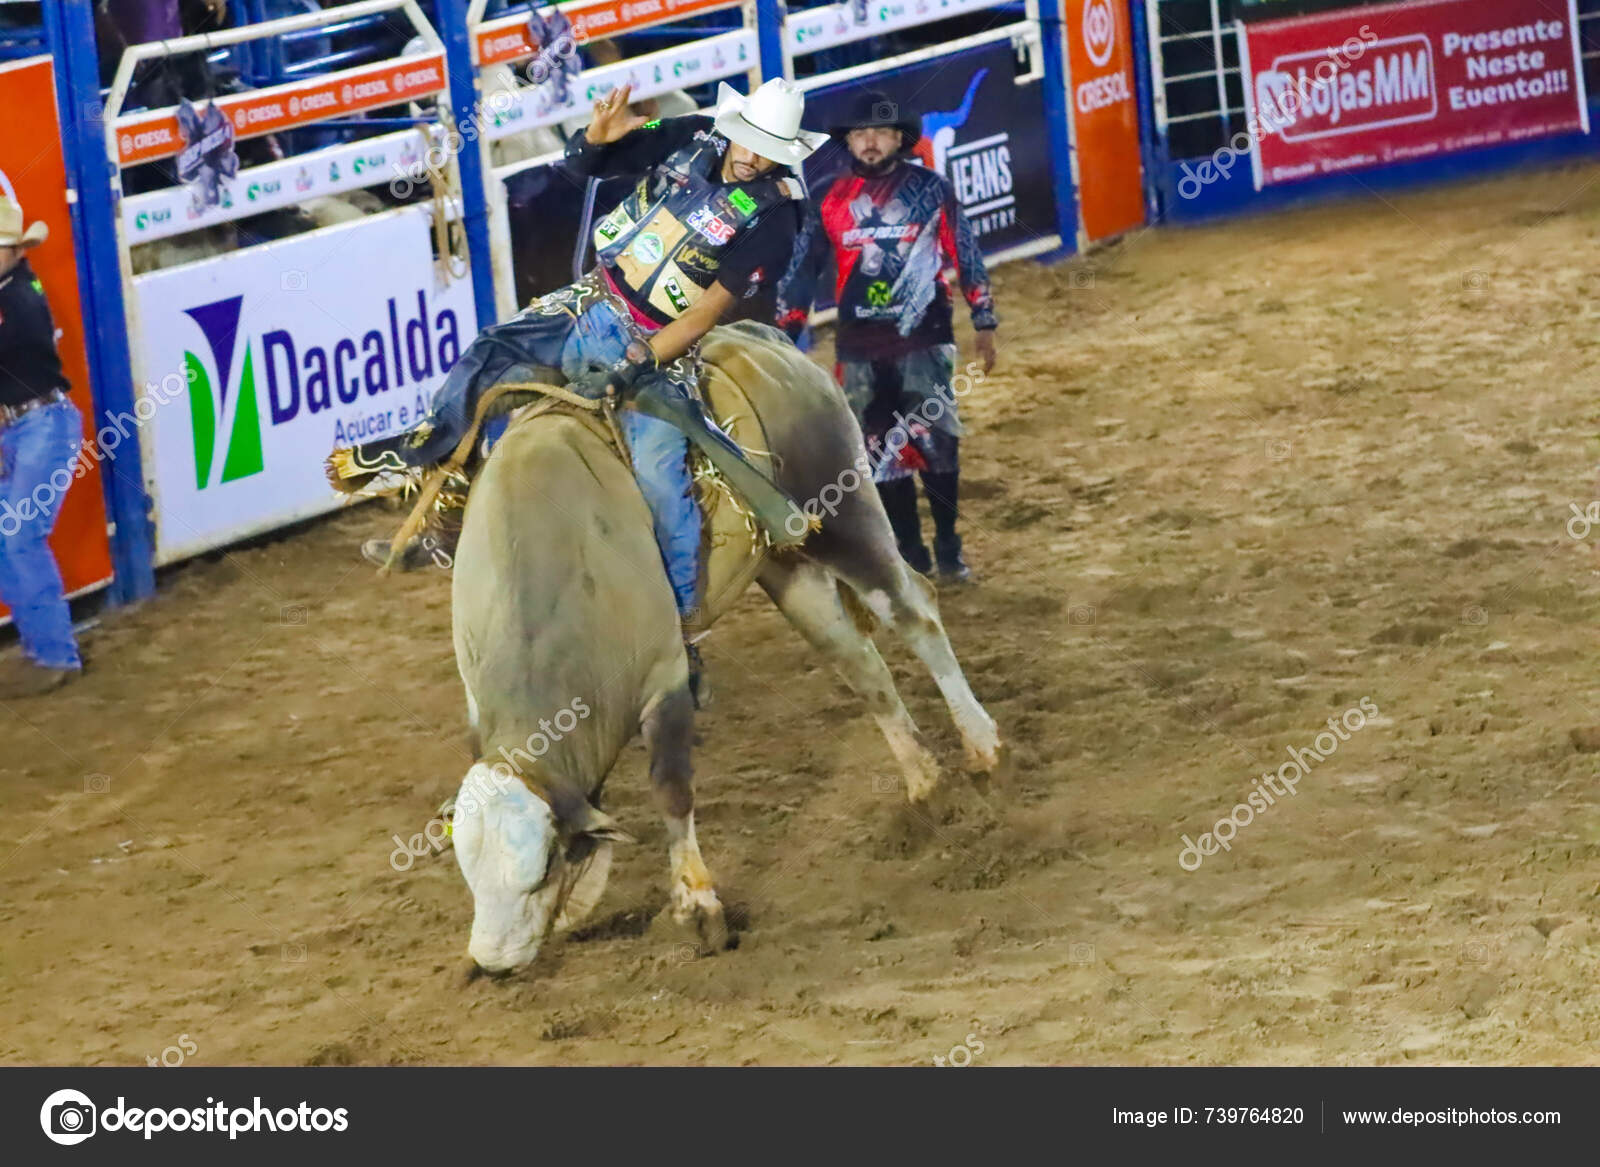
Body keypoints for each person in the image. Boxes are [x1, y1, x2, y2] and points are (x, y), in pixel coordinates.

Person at [337, 79, 824, 633]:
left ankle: (681, 620)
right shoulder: (693, 137)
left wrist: (633, 363)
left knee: (661, 479)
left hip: (658, 343)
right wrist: (600, 132)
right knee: (486, 358)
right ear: (734, 130)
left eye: (767, 149)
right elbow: (585, 162)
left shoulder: (778, 217)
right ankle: (442, 519)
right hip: (592, 298)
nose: (752, 156)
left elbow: (704, 314)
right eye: (748, 140)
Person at [775, 91, 998, 583]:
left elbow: (965, 249)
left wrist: (984, 318)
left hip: (925, 338)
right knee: (880, 455)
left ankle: (948, 544)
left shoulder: (931, 189)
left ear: (899, 138)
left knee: (939, 447)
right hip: (858, 347)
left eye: (879, 132)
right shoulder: (828, 199)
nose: (870, 142)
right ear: (849, 142)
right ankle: (912, 552)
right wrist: (783, 334)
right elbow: (803, 272)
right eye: (860, 134)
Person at [0, 195, 85, 697]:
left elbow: (20, 349)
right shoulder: (15, 289)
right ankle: (43, 649)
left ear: (15, 251)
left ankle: (55, 654)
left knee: (19, 537)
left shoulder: (22, 299)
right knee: (11, 538)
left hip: (40, 424)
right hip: (24, 426)